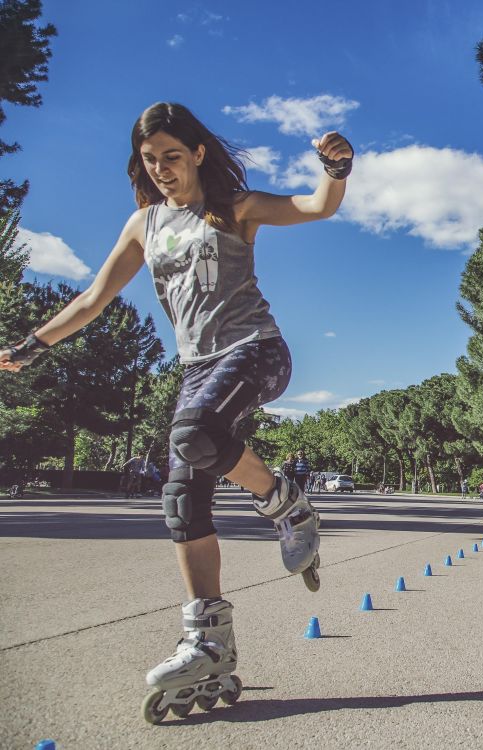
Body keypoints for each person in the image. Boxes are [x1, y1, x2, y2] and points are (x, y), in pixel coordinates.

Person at [1, 102, 353, 720]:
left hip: (256, 352)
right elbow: (92, 297)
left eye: (171, 155)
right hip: (197, 369)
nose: (161, 169)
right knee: (181, 494)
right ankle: (208, 641)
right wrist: (34, 345)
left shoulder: (236, 207)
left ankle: (287, 506)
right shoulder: (144, 224)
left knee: (193, 433)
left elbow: (316, 206)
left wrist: (336, 167)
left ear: (196, 152)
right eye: (149, 159)